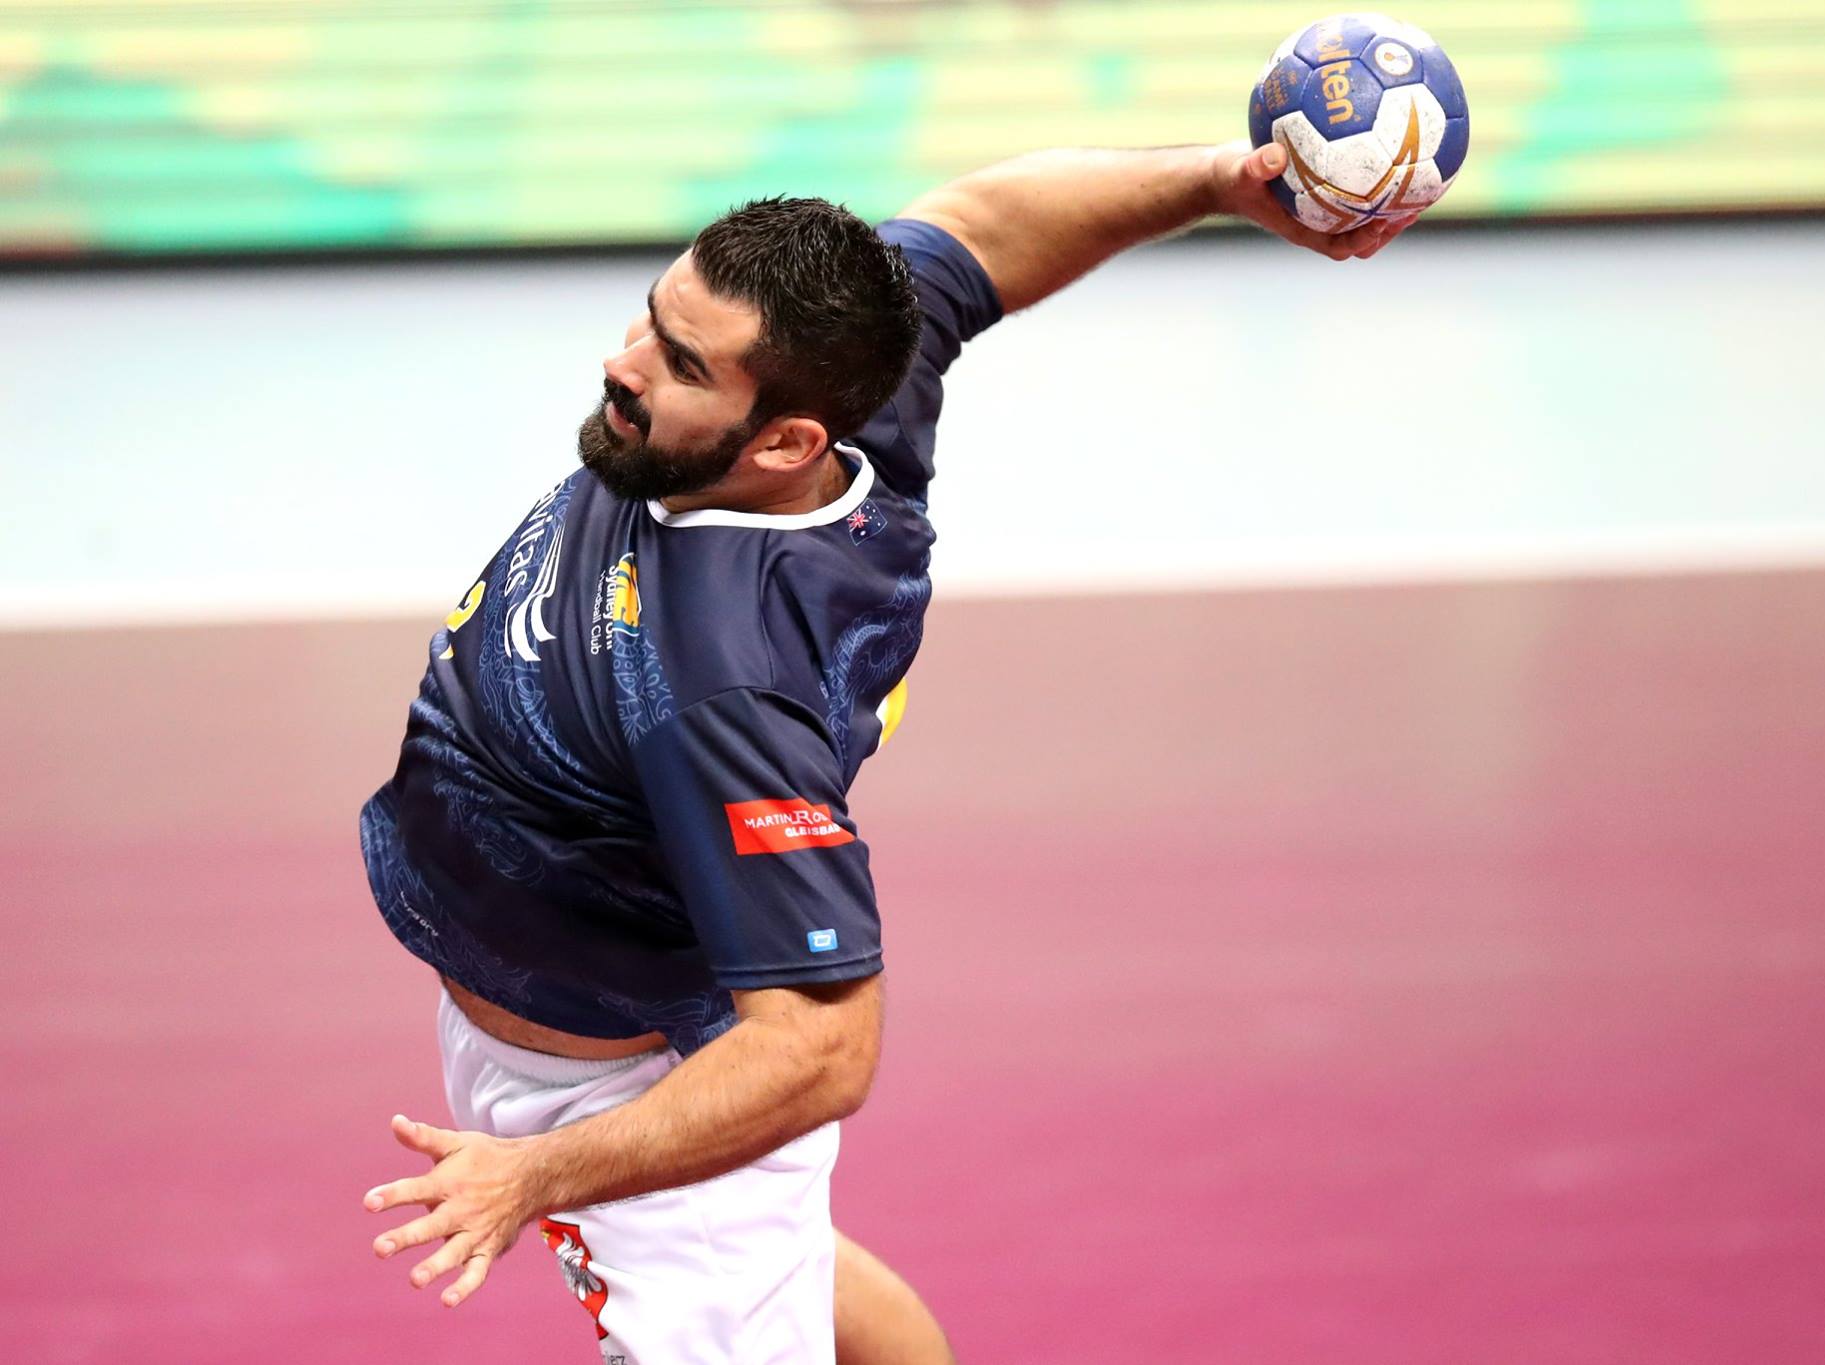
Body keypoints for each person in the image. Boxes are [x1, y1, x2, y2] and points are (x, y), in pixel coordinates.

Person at [357, 140, 1409, 1365]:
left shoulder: (724, 696)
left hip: (630, 1097)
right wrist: (1215, 185)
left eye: (679, 365)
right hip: (561, 1027)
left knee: (751, 1259)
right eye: (650, 319)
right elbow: (975, 225)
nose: (622, 366)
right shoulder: (836, 394)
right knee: (808, 1283)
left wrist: (537, 1172)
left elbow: (817, 1047)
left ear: (785, 442)